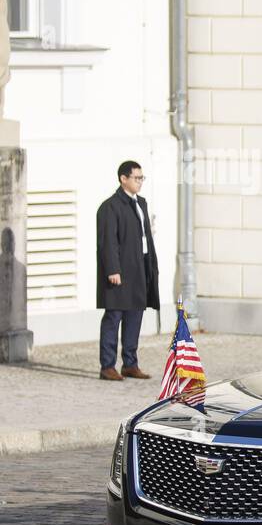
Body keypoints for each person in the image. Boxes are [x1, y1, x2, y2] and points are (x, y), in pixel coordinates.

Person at [96, 160, 160, 381]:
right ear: (123, 179)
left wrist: (151, 266)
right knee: (114, 316)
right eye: (136, 178)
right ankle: (107, 366)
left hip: (139, 266)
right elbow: (108, 241)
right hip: (120, 270)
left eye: (142, 178)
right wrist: (113, 269)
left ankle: (130, 363)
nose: (140, 182)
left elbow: (145, 237)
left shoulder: (141, 203)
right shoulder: (110, 206)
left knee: (135, 315)